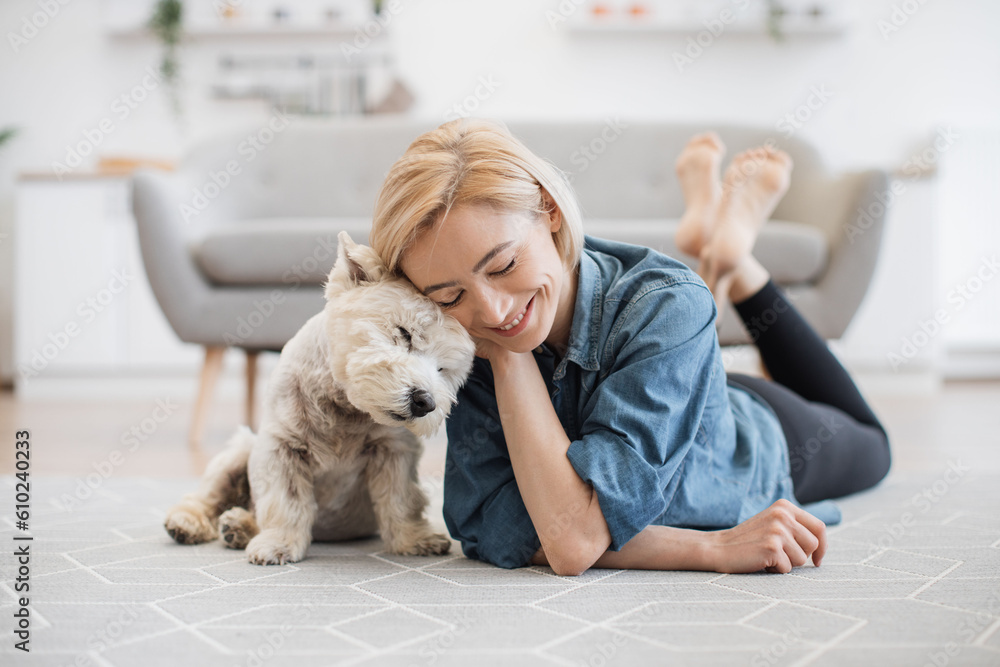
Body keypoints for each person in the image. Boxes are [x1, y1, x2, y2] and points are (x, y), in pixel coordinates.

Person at [369, 119, 891, 577]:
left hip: (749, 432)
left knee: (874, 449)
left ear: (548, 210)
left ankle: (739, 262)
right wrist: (710, 548)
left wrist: (506, 353)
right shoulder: (461, 337)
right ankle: (720, 242)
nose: (494, 312)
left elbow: (567, 541)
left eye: (504, 266)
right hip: (666, 375)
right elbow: (495, 528)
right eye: (451, 294)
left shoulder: (667, 305)